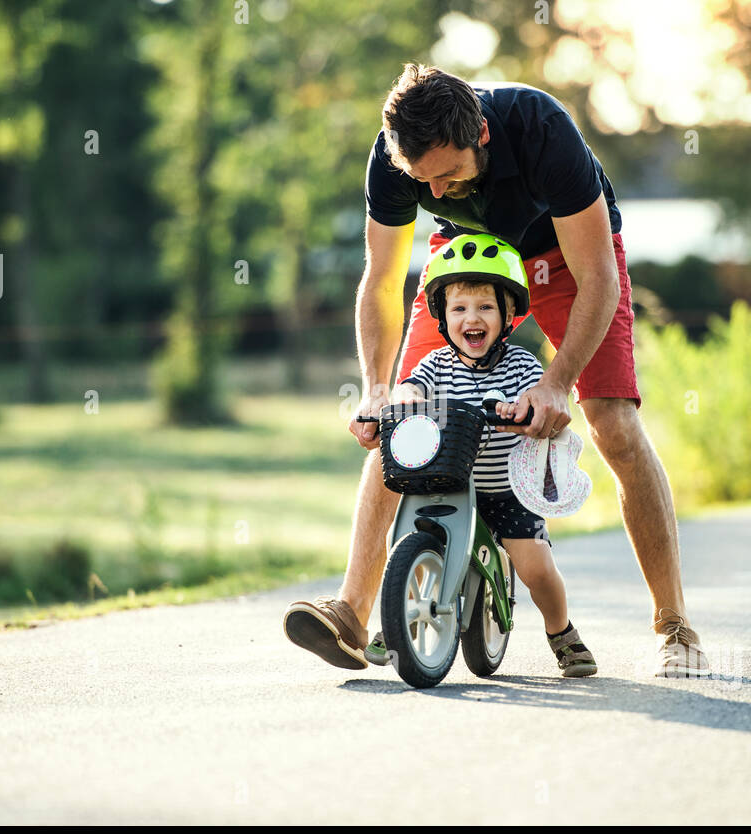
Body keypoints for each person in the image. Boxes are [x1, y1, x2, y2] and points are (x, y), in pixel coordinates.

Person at [284, 63, 709, 678]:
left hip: (568, 258)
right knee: (402, 419)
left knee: (613, 424)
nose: (441, 191)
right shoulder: (396, 158)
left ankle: (674, 622)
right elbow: (379, 282)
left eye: (450, 174)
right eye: (424, 182)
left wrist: (556, 382)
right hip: (470, 261)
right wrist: (378, 391)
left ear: (480, 133)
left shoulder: (542, 129)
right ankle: (351, 612)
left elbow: (599, 279)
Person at [360, 234, 596, 677]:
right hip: (444, 482)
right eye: (460, 308)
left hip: (504, 492)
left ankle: (561, 632)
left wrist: (524, 406)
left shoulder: (520, 365)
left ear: (508, 315)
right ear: (442, 316)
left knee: (537, 566)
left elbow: (536, 394)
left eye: (486, 307)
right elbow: (410, 385)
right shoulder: (434, 366)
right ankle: (395, 618)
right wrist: (403, 399)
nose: (472, 318)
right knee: (404, 537)